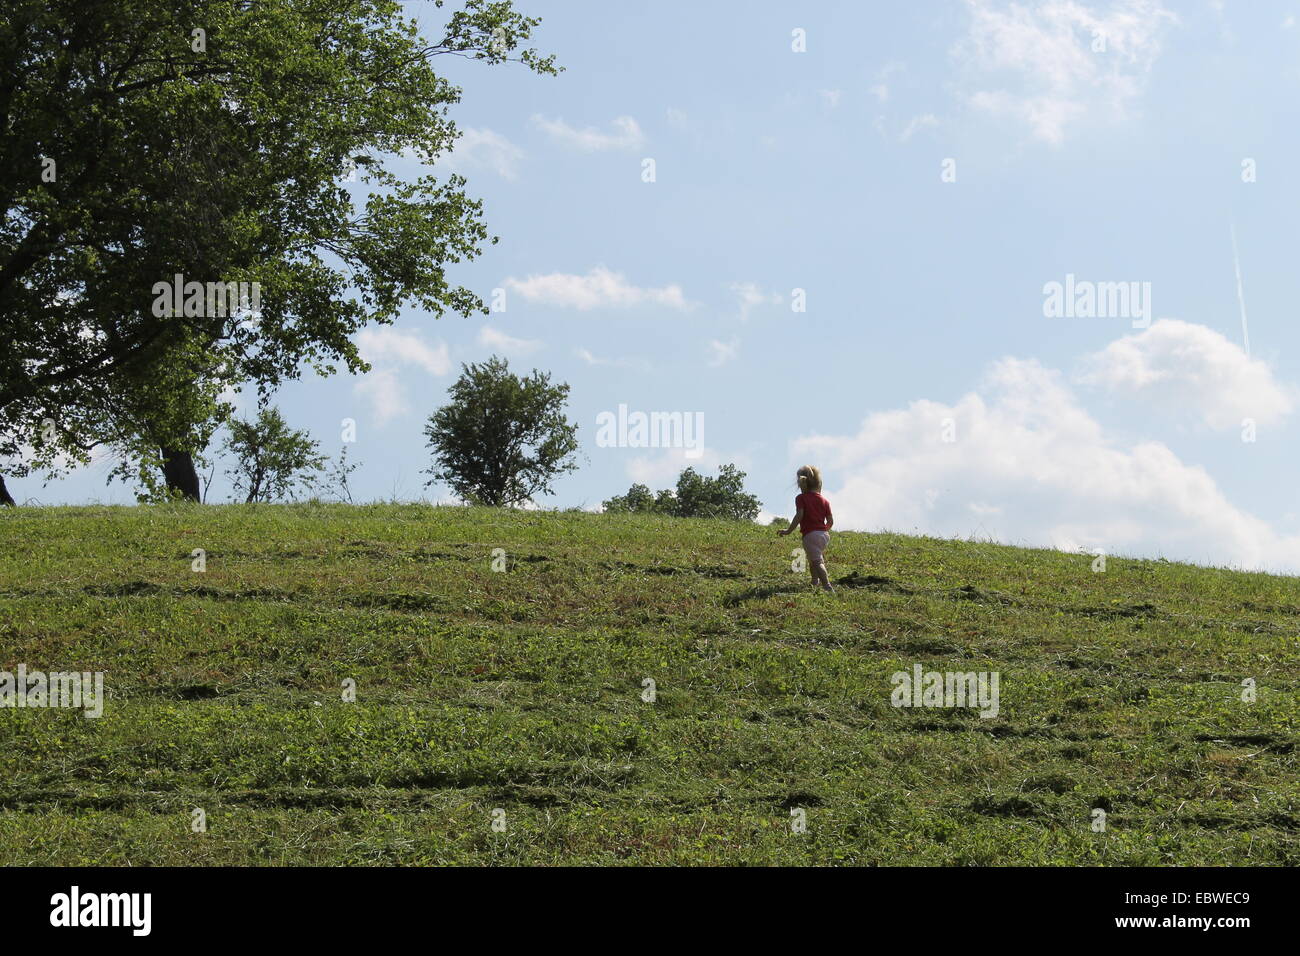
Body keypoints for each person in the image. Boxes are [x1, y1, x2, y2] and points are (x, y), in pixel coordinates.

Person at [777, 465, 834, 592]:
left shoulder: (801, 498)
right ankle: (814, 581)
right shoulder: (825, 500)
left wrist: (788, 530)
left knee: (817, 562)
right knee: (812, 559)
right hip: (824, 535)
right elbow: (830, 521)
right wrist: (823, 531)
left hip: (810, 536)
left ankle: (827, 585)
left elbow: (799, 516)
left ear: (801, 483)